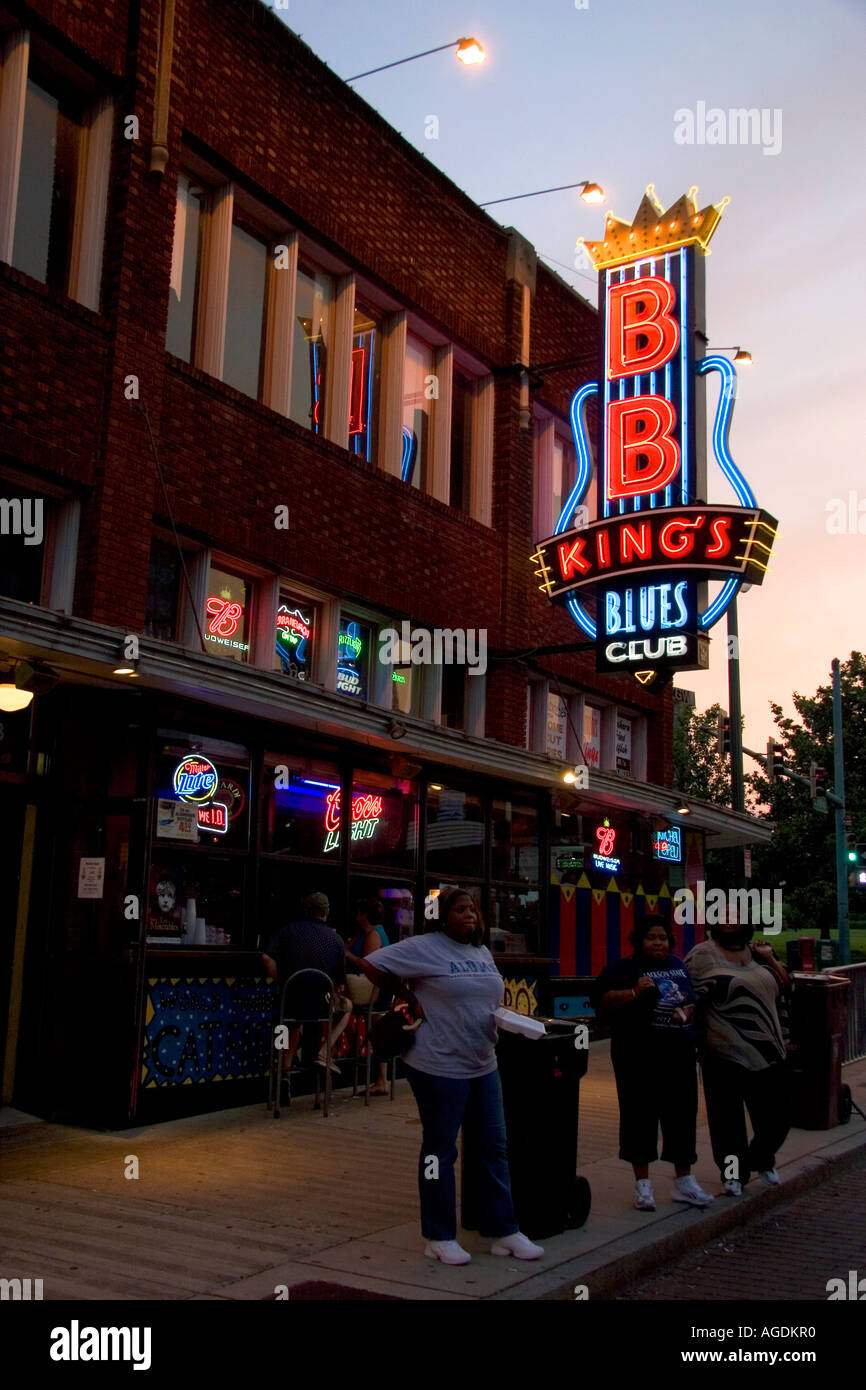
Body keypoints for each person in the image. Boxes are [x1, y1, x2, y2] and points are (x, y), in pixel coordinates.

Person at [347, 885, 544, 1267]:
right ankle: (438, 1236)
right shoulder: (425, 946)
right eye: (460, 910)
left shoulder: (481, 951)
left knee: (494, 1148)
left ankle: (505, 1230)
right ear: (443, 916)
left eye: (473, 909)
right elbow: (369, 962)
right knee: (440, 1150)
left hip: (483, 1062)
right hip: (438, 1066)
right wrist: (405, 991)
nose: (469, 915)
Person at [592, 915, 713, 1213]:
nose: (658, 943)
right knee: (639, 1117)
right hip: (637, 1057)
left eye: (662, 938)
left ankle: (684, 1181)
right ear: (639, 941)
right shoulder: (624, 968)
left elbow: (689, 1002)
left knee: (681, 1117)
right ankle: (642, 1186)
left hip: (679, 1055)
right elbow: (600, 999)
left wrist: (686, 1016)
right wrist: (633, 992)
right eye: (651, 937)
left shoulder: (678, 965)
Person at [685, 919, 791, 1196]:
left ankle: (761, 1159)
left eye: (736, 918)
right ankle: (733, 1174)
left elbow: (785, 985)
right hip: (723, 1051)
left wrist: (768, 957)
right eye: (724, 918)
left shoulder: (759, 953)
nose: (730, 923)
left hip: (769, 1049)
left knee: (777, 1117)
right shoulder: (703, 955)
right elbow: (688, 998)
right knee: (727, 1123)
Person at [261, 892, 353, 1078]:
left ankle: (283, 1072)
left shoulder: (288, 930)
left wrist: (282, 981)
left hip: (289, 1002)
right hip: (321, 1006)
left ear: (306, 910)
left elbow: (266, 957)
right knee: (348, 1007)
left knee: (287, 1025)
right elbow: (339, 985)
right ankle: (324, 1052)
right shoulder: (335, 939)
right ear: (326, 911)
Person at [346, 898, 392, 1095]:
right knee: (376, 1029)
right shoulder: (366, 934)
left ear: (364, 916)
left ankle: (382, 1079)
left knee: (377, 1029)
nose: (356, 917)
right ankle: (380, 1078)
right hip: (372, 990)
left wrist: (348, 955)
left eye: (359, 913)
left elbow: (367, 965)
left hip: (374, 992)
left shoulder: (373, 935)